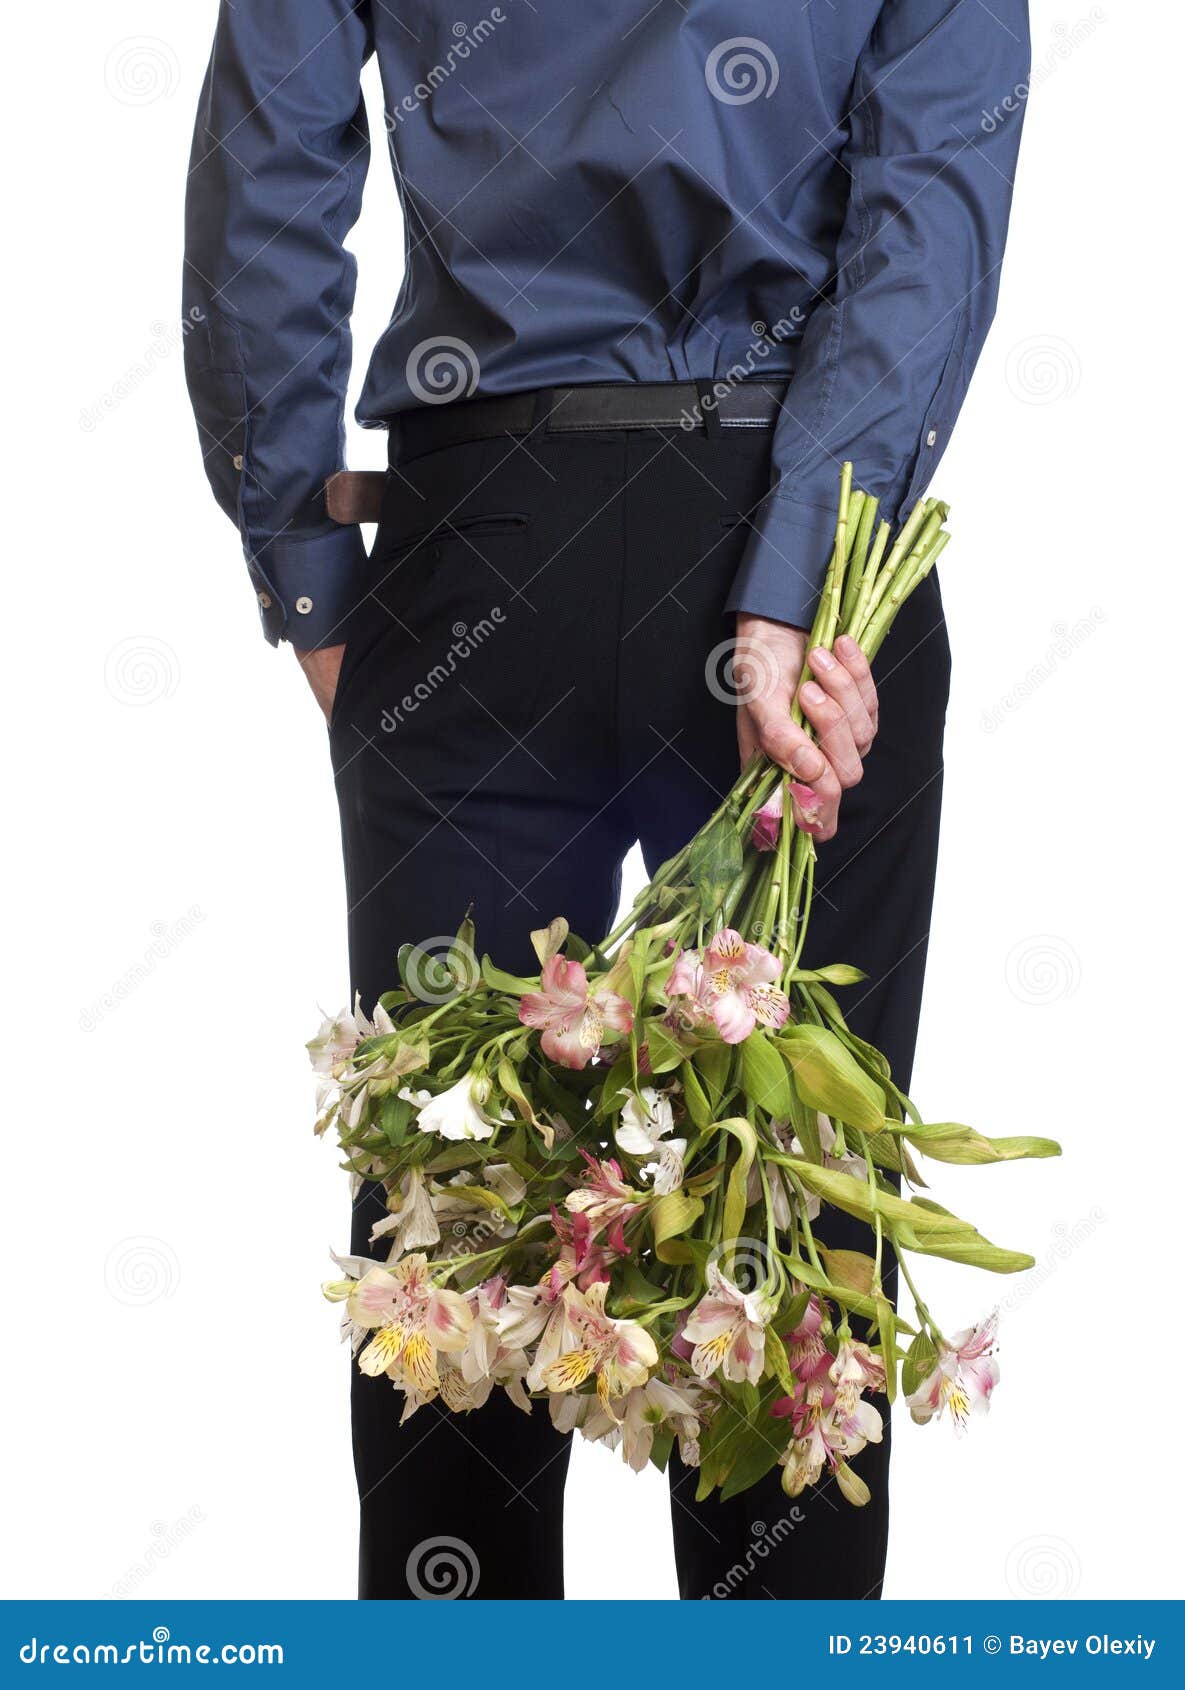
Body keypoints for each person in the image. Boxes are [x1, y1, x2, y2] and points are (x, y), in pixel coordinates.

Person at [184, 0, 1028, 1601]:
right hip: (792, 560)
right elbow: (932, 200)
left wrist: (312, 575)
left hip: (482, 543)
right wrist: (797, 577)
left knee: (461, 1226)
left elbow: (266, 158)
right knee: (784, 1240)